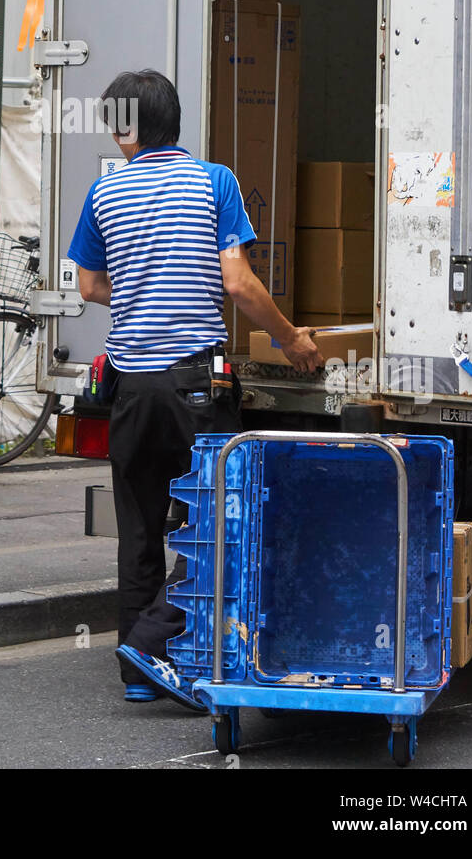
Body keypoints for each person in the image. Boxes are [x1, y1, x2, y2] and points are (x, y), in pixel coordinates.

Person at [66, 70, 323, 708]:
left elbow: (89, 287)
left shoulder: (104, 191)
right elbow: (237, 284)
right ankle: (154, 641)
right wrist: (291, 339)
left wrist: (137, 286)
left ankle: (137, 670)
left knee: (140, 525)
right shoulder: (215, 181)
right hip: (194, 386)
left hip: (130, 384)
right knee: (217, 521)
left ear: (126, 129)